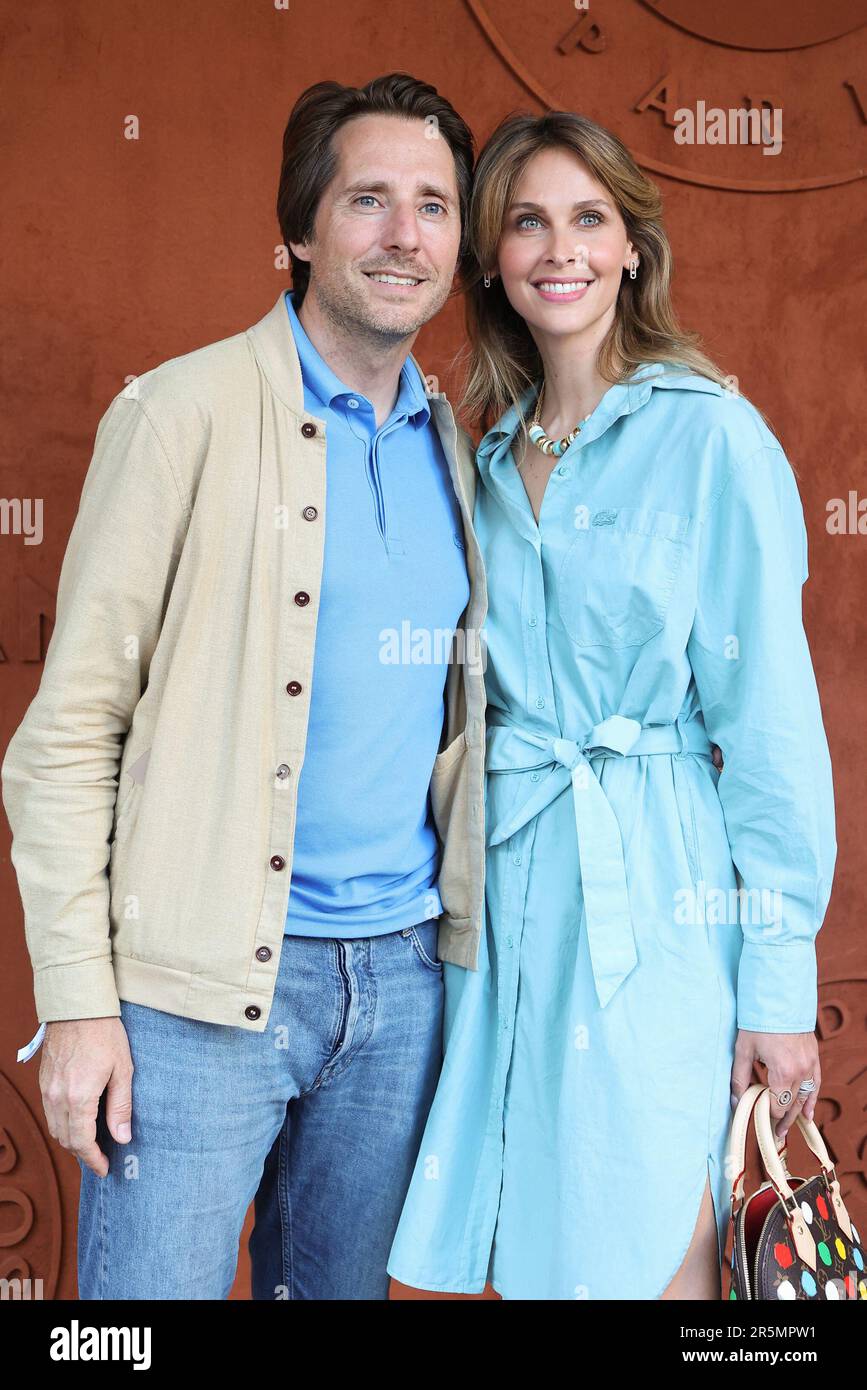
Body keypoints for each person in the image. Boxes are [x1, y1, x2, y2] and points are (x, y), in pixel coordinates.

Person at [1, 72, 489, 1300]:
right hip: (192, 1000)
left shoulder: (459, 452)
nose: (404, 234)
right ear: (300, 228)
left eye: (435, 205)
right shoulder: (178, 416)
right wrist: (76, 1006)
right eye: (368, 199)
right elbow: (65, 739)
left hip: (400, 982)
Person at [387, 110, 837, 1301]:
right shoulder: (481, 463)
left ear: (633, 246)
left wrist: (778, 986)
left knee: (651, 1251)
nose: (559, 248)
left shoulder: (714, 439)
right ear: (489, 258)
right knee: (536, 1253)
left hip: (659, 905)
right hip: (505, 906)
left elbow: (777, 730)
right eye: (527, 221)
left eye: (589, 218)